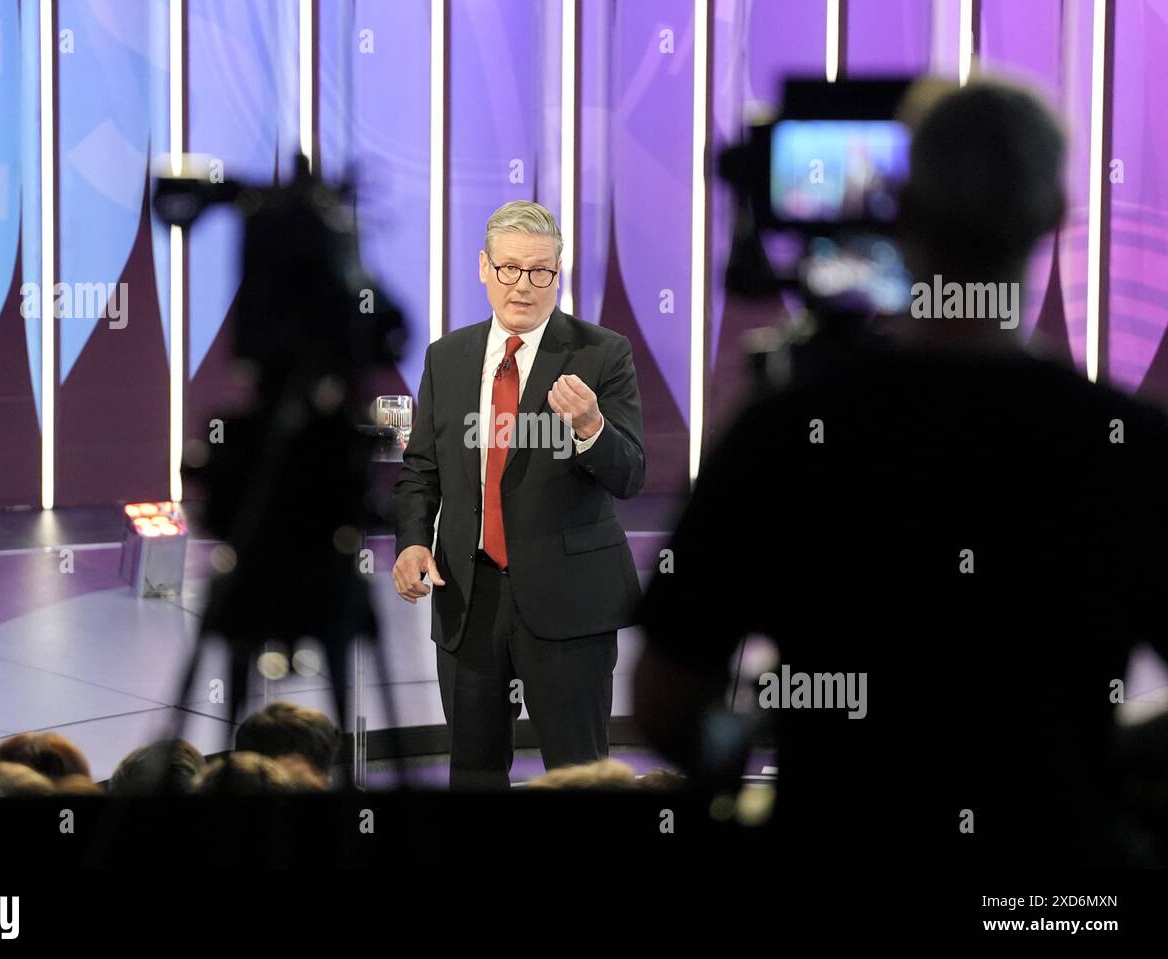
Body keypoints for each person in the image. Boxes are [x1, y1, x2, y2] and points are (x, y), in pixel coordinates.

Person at [633, 77, 1168, 865]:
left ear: (903, 206)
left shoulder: (785, 432)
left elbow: (667, 701)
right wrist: (1096, 754)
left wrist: (746, 732)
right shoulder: (1130, 444)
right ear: (1054, 216)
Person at [393, 200, 646, 788]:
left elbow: (630, 475)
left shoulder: (602, 353)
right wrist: (410, 543)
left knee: (579, 772)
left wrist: (591, 428)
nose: (523, 286)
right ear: (484, 267)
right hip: (468, 596)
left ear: (558, 273)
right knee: (474, 772)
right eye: (508, 269)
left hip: (567, 603)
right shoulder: (446, 357)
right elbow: (421, 469)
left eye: (539, 272)